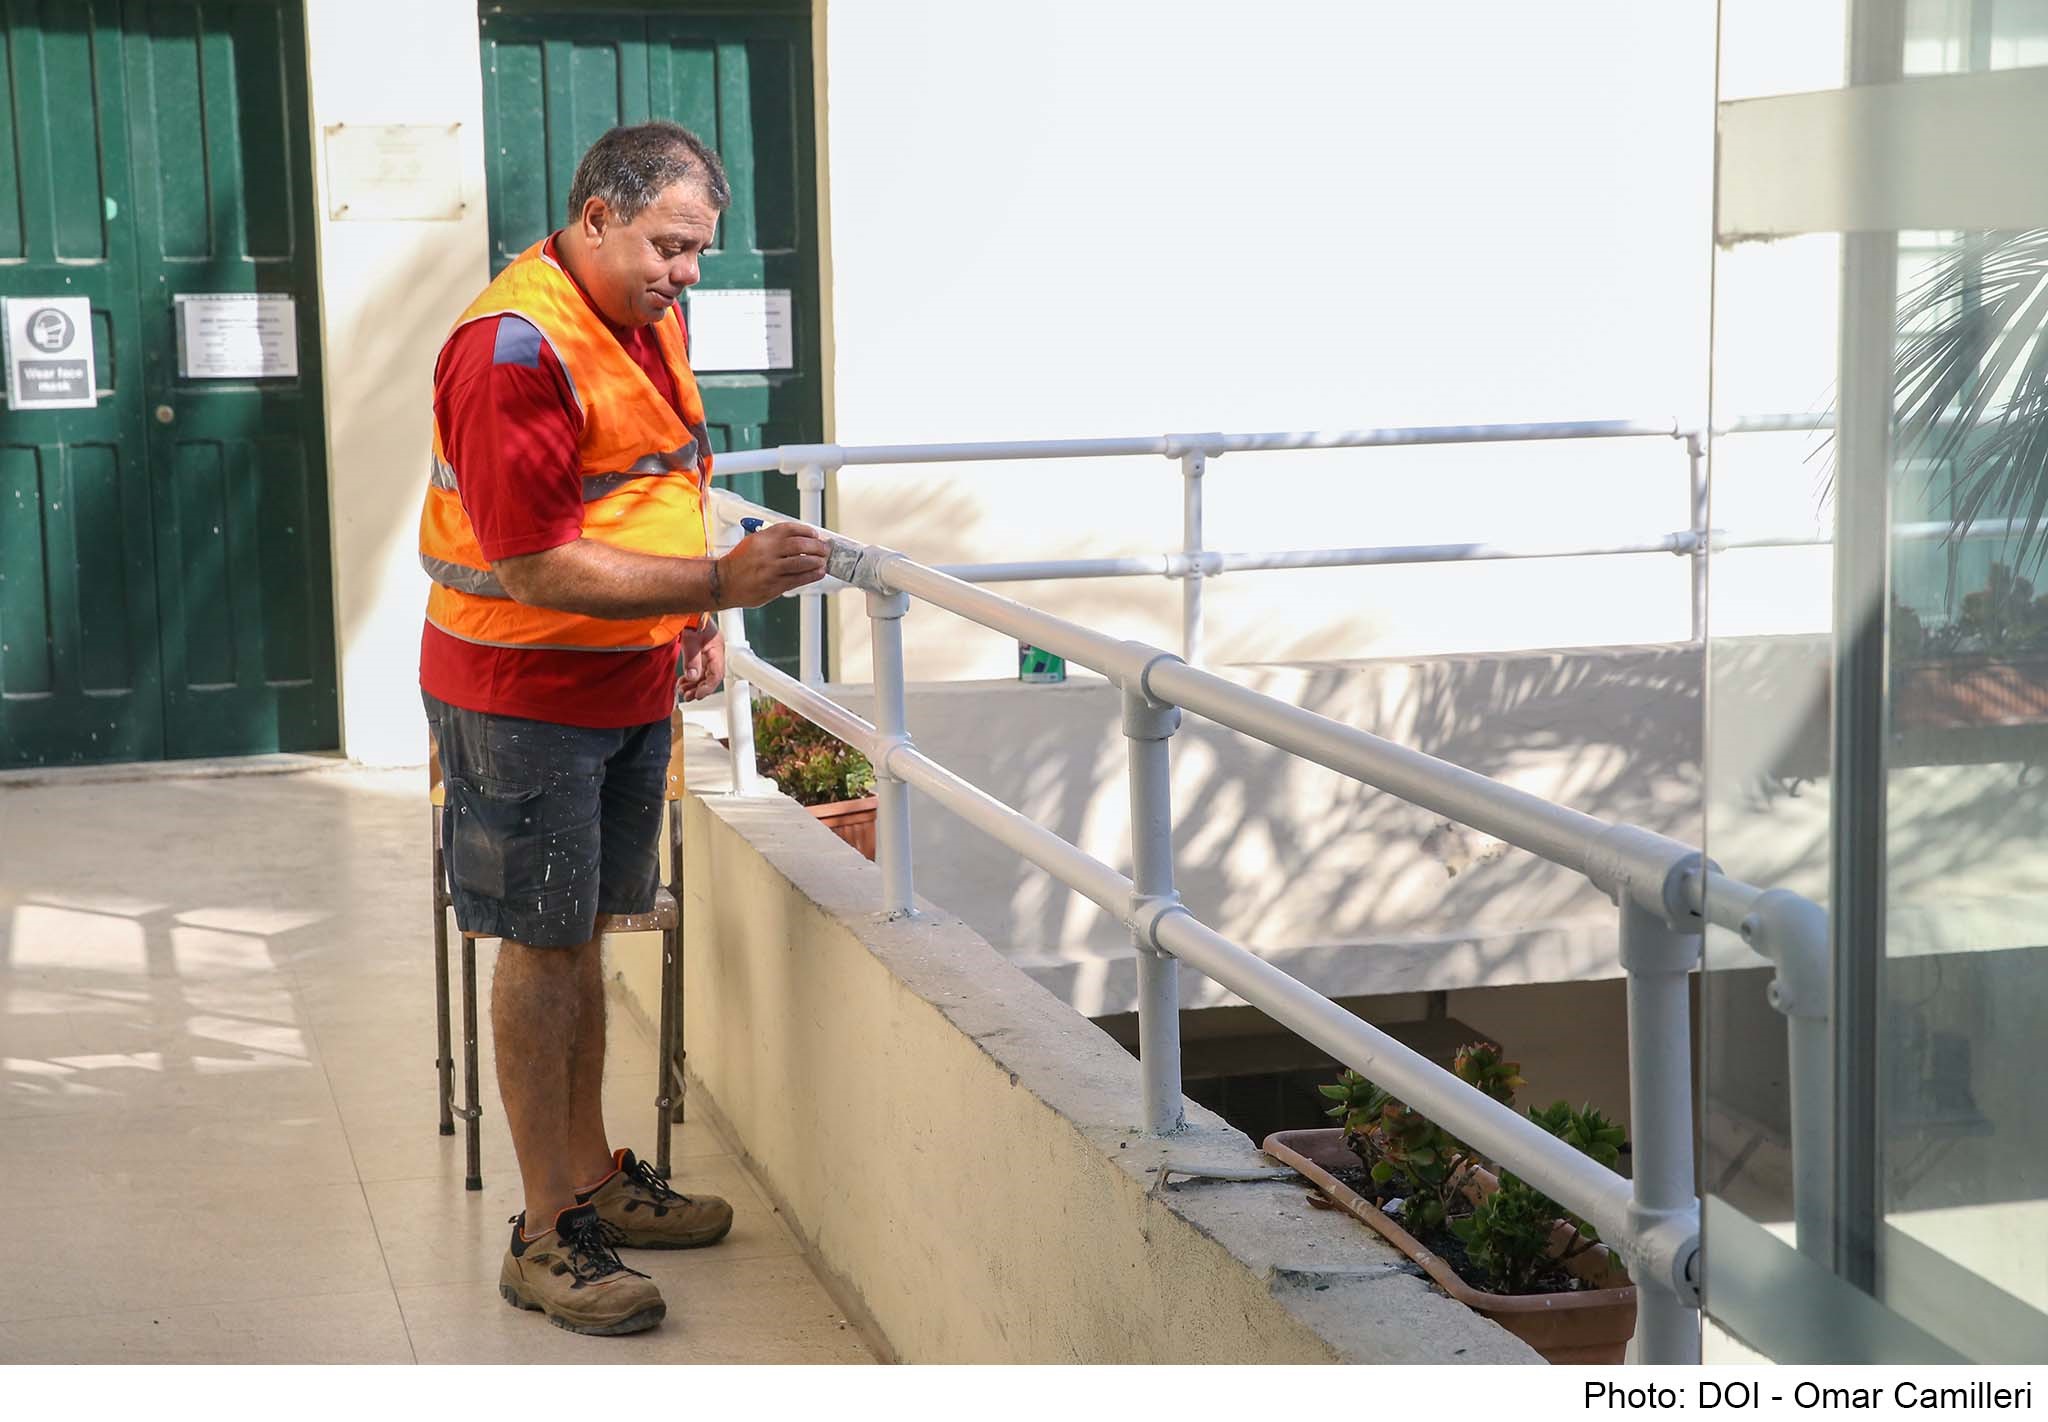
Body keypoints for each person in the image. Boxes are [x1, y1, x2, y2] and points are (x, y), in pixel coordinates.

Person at [417, 121, 829, 1337]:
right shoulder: (509, 349)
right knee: (540, 953)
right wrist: (720, 589)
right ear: (595, 213)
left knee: (586, 930)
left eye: (696, 251)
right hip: (522, 691)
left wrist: (685, 602)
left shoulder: (638, 311)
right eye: (669, 246)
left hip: (620, 684)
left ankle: (590, 1172)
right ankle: (546, 1237)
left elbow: (656, 477)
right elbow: (538, 565)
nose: (686, 274)